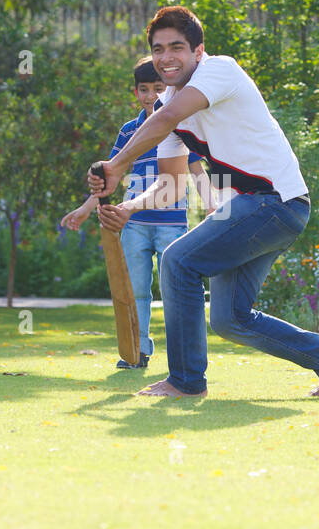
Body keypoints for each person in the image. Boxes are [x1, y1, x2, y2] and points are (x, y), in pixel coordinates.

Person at [88, 5, 319, 398]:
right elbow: (171, 186)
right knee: (230, 319)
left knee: (178, 261)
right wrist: (127, 209)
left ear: (198, 51)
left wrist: (115, 165)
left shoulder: (220, 70)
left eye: (176, 47)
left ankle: (185, 381)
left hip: (275, 202)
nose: (166, 58)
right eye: (158, 48)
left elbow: (166, 120)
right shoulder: (166, 111)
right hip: (252, 209)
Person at [61, 55, 209, 368]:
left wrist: (212, 204)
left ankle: (182, 359)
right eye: (144, 89)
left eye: (158, 87)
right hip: (133, 224)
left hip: (171, 223)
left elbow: (196, 171)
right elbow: (108, 175)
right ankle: (137, 352)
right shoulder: (129, 132)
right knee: (135, 291)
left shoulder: (181, 124)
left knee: (175, 292)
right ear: (136, 92)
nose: (151, 95)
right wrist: (87, 209)